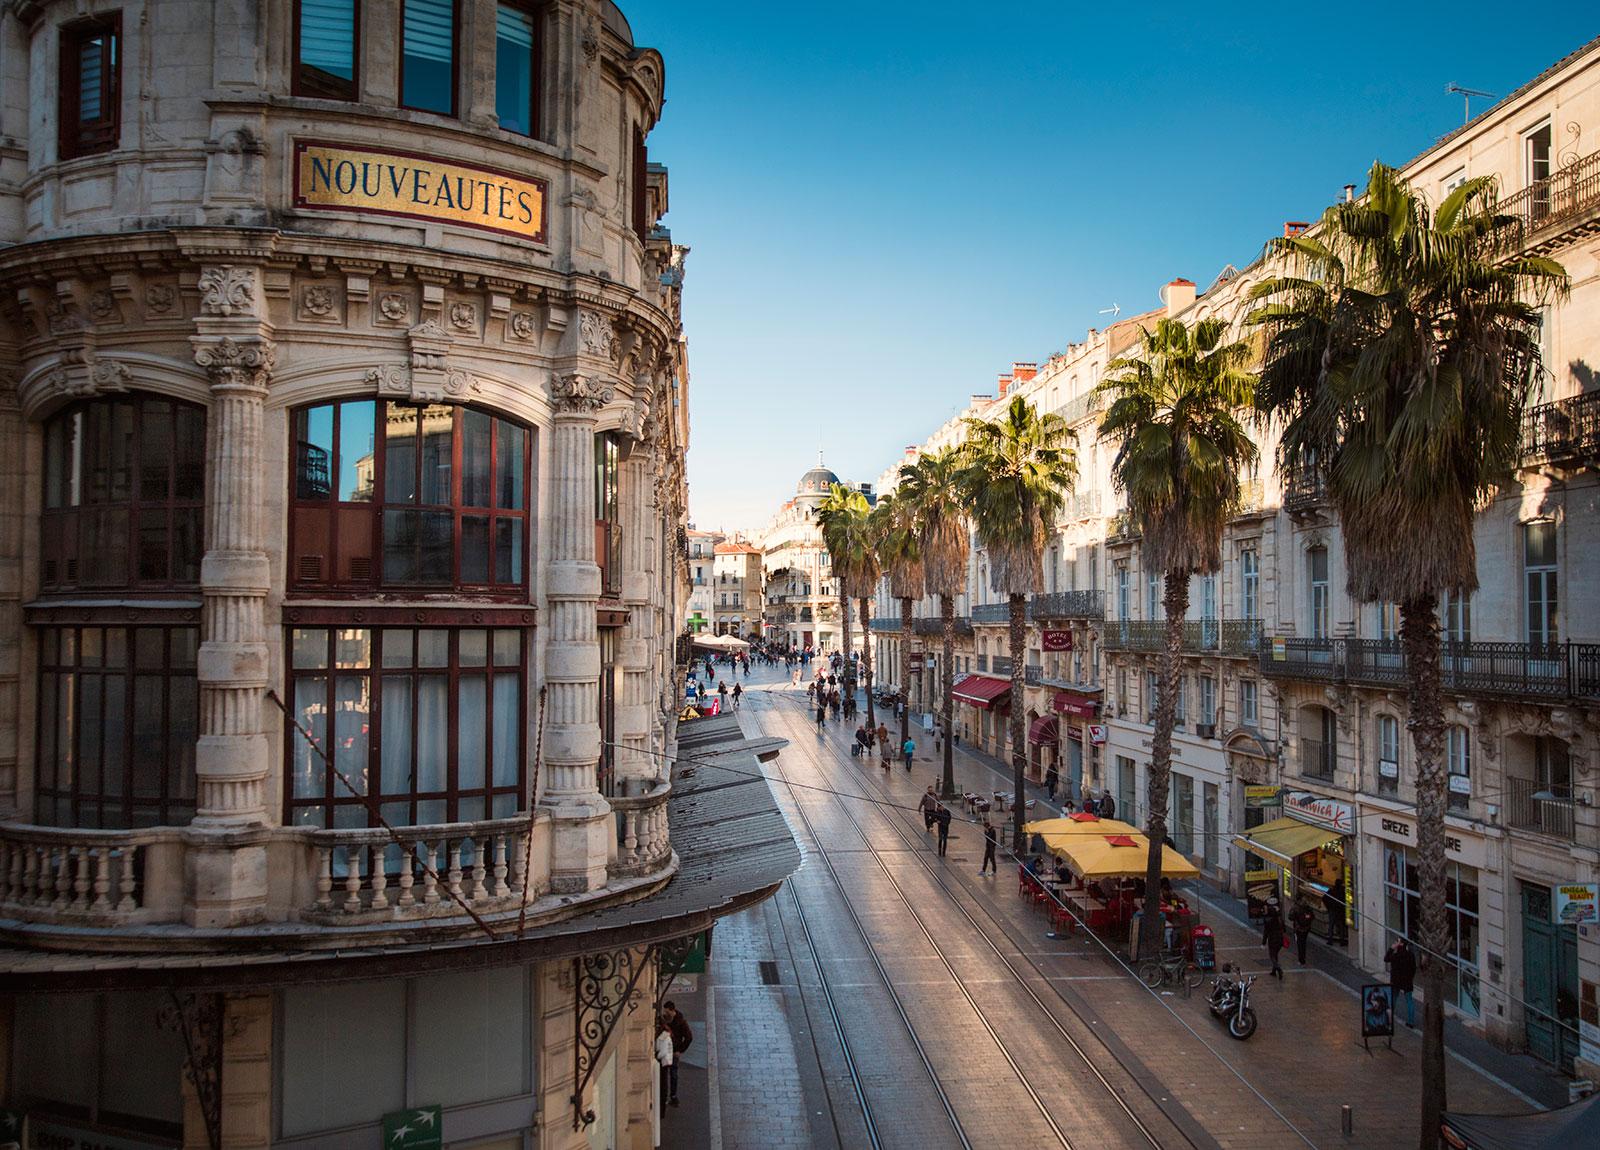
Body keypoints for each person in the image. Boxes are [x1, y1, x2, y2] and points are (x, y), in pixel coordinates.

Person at [662, 1001, 692, 1105]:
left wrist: (680, 1050)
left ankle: (673, 1096)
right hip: (665, 1049)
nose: (665, 1013)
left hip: (674, 1051)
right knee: (664, 1073)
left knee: (673, 1073)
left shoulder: (681, 1022)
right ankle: (665, 1096)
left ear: (672, 1010)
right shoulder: (665, 1019)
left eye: (667, 1011)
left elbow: (689, 1037)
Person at [1385, 937, 1418, 1027]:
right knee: (1409, 1000)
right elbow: (1414, 968)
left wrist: (1391, 948)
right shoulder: (1410, 955)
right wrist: (1410, 978)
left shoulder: (1396, 955)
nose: (1396, 942)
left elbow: (1386, 959)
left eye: (1397, 941)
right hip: (1407, 981)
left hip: (1396, 981)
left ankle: (1389, 1019)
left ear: (1401, 944)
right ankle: (1411, 1022)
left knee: (1393, 999)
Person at [654, 1018, 675, 1114]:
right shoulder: (666, 1034)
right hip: (666, 1061)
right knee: (663, 1084)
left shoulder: (664, 1036)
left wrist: (655, 1056)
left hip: (663, 1062)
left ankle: (662, 1108)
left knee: (662, 1085)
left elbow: (663, 1052)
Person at [1262, 900, 1285, 979]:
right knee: (1275, 954)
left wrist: (1263, 942)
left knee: (1272, 955)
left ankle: (1277, 967)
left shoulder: (1267, 919)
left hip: (1272, 938)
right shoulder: (1278, 918)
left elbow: (1266, 931)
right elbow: (1283, 927)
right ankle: (1274, 971)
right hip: (1280, 938)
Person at [1289, 898, 1315, 965]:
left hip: (1298, 928)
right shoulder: (1308, 908)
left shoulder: (1295, 907)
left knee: (1299, 943)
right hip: (1306, 928)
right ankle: (1302, 958)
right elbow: (1312, 917)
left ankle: (1301, 959)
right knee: (1303, 942)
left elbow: (1290, 917)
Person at [1324, 876, 1348, 946]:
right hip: (1339, 911)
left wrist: (1328, 907)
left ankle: (1330, 939)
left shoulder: (1332, 890)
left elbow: (1324, 898)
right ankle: (1342, 940)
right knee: (1341, 926)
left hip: (1332, 910)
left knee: (1331, 925)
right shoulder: (1342, 891)